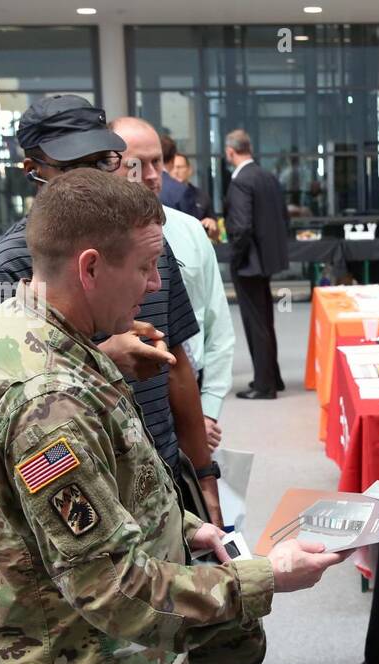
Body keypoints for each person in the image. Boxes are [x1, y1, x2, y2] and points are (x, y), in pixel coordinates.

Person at [0, 169, 345, 664]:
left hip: (61, 660)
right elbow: (112, 590)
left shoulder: (17, 325)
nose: (157, 285)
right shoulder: (50, 405)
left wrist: (177, 525)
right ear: (90, 267)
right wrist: (266, 578)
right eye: (147, 265)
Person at [111, 117, 234, 454]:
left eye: (158, 162)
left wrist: (207, 410)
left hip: (185, 402)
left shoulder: (189, 231)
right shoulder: (89, 240)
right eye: (137, 164)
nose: (153, 175)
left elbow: (216, 324)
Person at [224, 129, 291, 399]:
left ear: (230, 152)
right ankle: (272, 377)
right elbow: (282, 218)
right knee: (266, 321)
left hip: (248, 263)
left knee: (256, 324)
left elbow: (241, 227)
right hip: (266, 261)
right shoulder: (267, 176)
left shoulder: (241, 180)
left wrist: (235, 257)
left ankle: (264, 385)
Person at [170, 151, 220, 239]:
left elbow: (216, 235)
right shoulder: (163, 196)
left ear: (189, 170)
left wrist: (212, 225)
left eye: (179, 167)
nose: (175, 171)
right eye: (172, 168)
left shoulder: (201, 196)